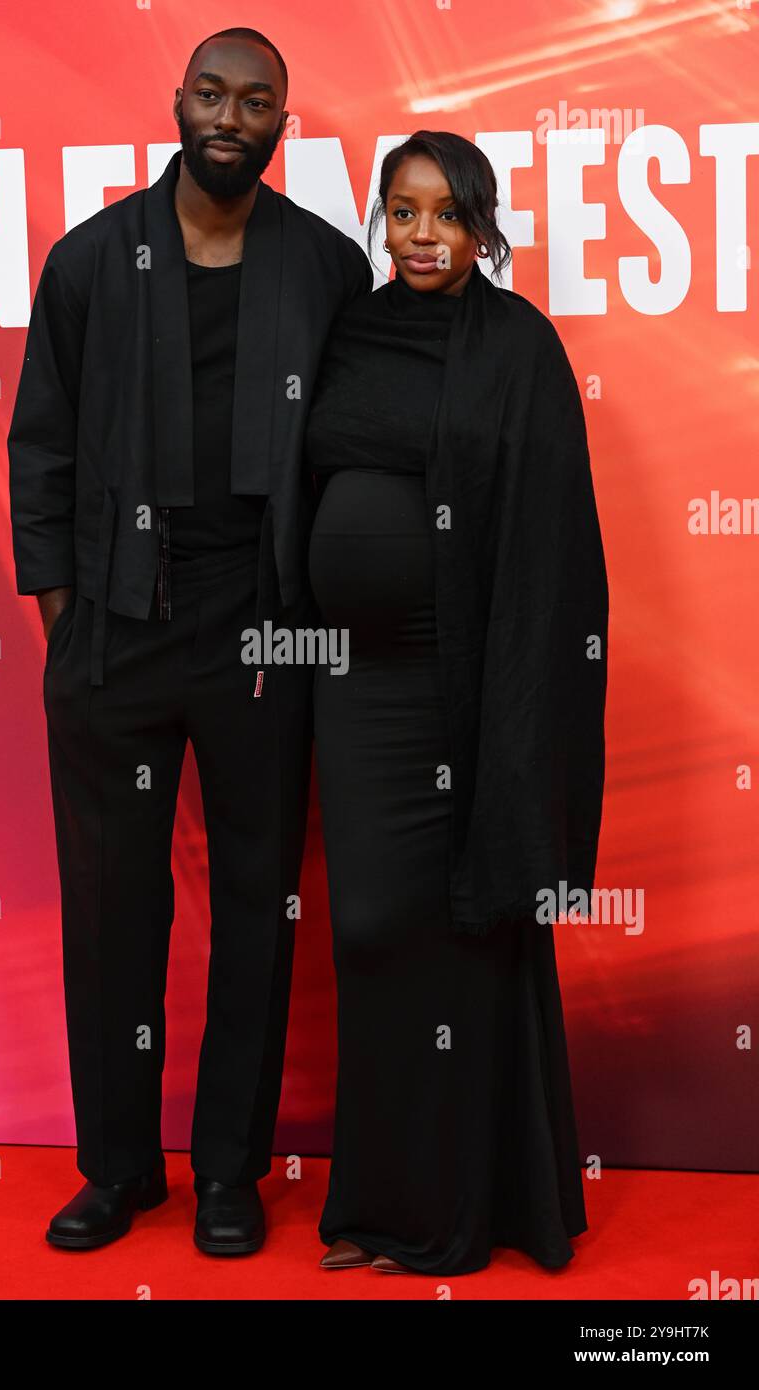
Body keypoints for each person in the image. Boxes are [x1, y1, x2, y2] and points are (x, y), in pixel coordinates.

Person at [7, 28, 371, 1254]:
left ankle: (228, 1170)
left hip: (264, 630)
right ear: (176, 102)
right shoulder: (92, 261)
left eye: (254, 100)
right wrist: (69, 625)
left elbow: (351, 452)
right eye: (210, 92)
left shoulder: (323, 268)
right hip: (115, 626)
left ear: (284, 122)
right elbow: (41, 445)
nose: (229, 114)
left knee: (258, 908)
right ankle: (118, 1170)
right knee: (113, 909)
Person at [305, 131, 608, 1274]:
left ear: (483, 225)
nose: (424, 235)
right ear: (380, 220)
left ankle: (460, 1212)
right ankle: (378, 1203)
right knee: (372, 932)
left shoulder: (517, 346)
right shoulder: (346, 331)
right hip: (353, 686)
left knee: (468, 930)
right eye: (404, 212)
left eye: (447, 213)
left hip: (469, 681)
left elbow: (552, 548)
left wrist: (516, 706)